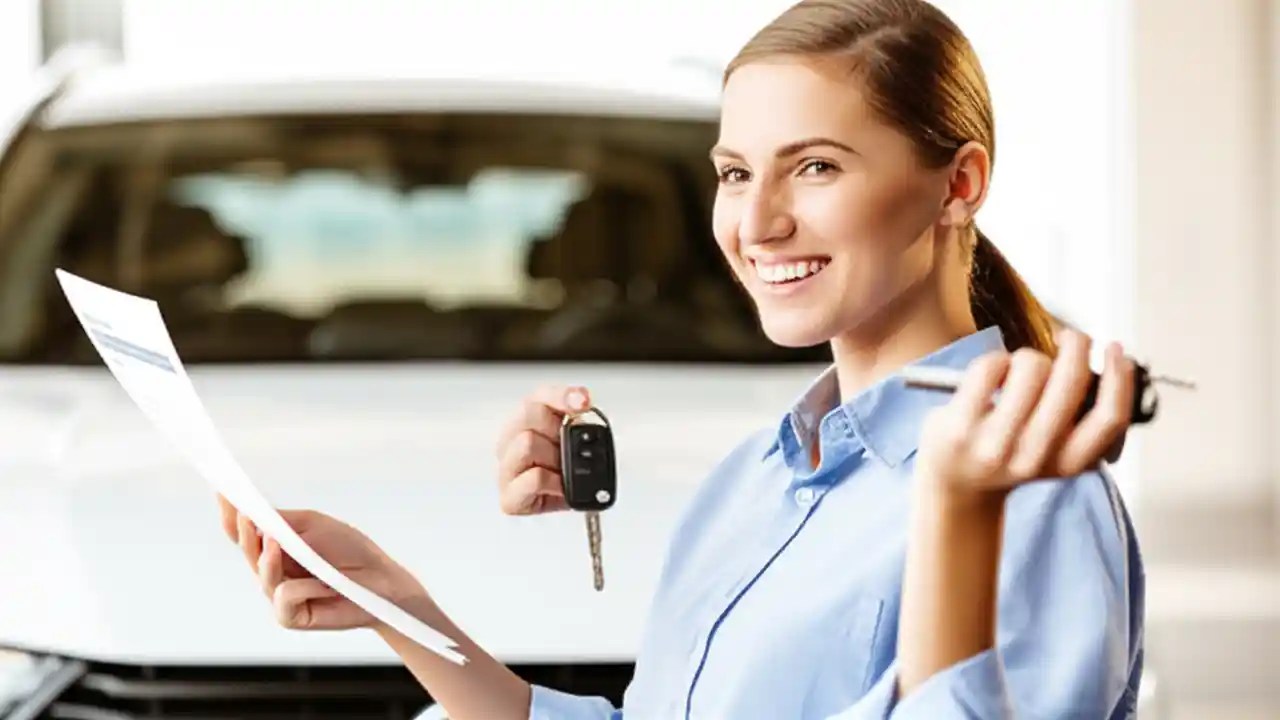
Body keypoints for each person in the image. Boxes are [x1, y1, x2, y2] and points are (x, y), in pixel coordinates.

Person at [217, 0, 1144, 717]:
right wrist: (401, 607)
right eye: (736, 172)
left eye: (815, 166)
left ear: (960, 183)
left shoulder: (1038, 497)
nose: (757, 222)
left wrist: (952, 512)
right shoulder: (749, 484)